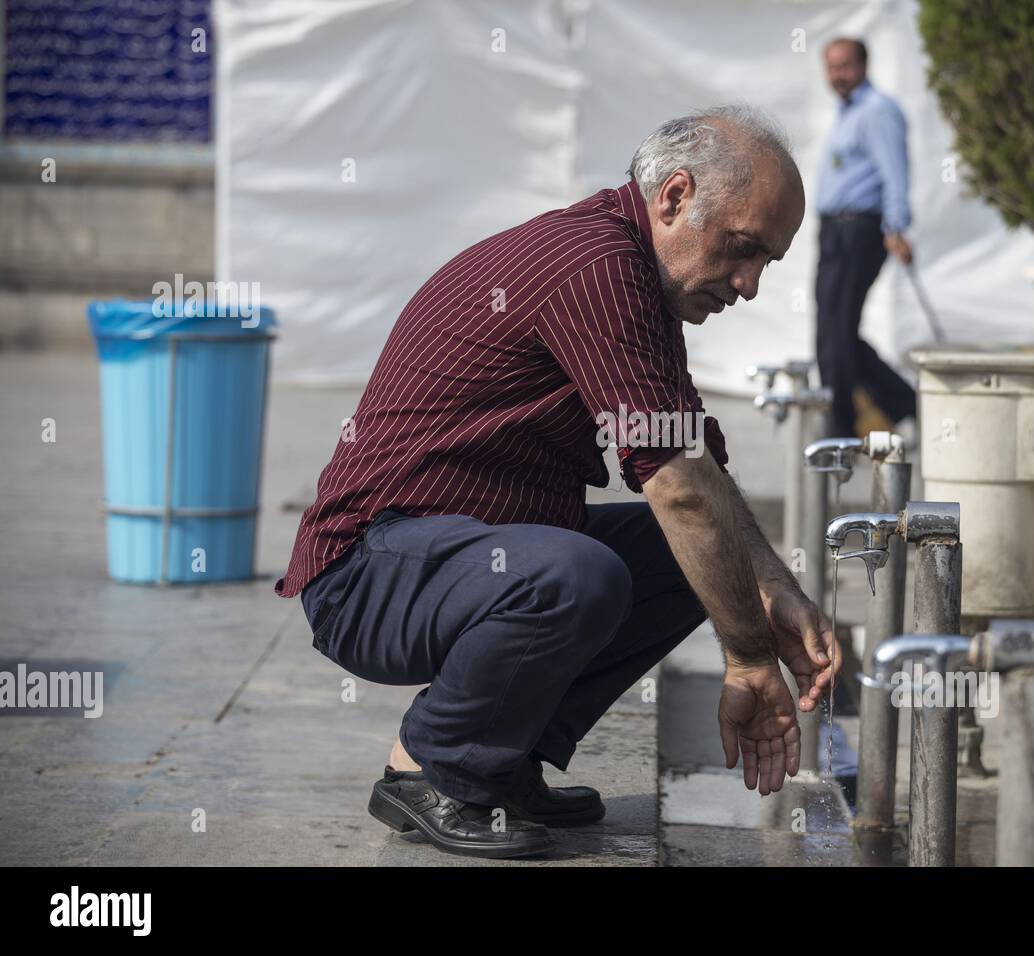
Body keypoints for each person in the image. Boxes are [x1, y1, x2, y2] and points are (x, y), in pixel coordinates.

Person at [275, 106, 843, 860]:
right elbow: (672, 487)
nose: (748, 285)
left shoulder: (634, 275)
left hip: (455, 555)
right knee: (576, 573)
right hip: (368, 570)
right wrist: (746, 657)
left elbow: (696, 469)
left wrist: (777, 592)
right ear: (673, 199)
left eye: (767, 263)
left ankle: (501, 761)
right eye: (743, 250)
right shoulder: (595, 268)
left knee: (678, 558)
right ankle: (434, 768)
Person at [815, 37, 918, 438]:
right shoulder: (847, 113)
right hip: (835, 231)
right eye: (831, 67)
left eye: (845, 66)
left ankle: (840, 427)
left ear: (863, 65)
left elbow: (895, 173)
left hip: (859, 230)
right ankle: (901, 402)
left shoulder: (877, 111)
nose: (837, 75)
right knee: (833, 331)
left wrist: (896, 227)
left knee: (835, 331)